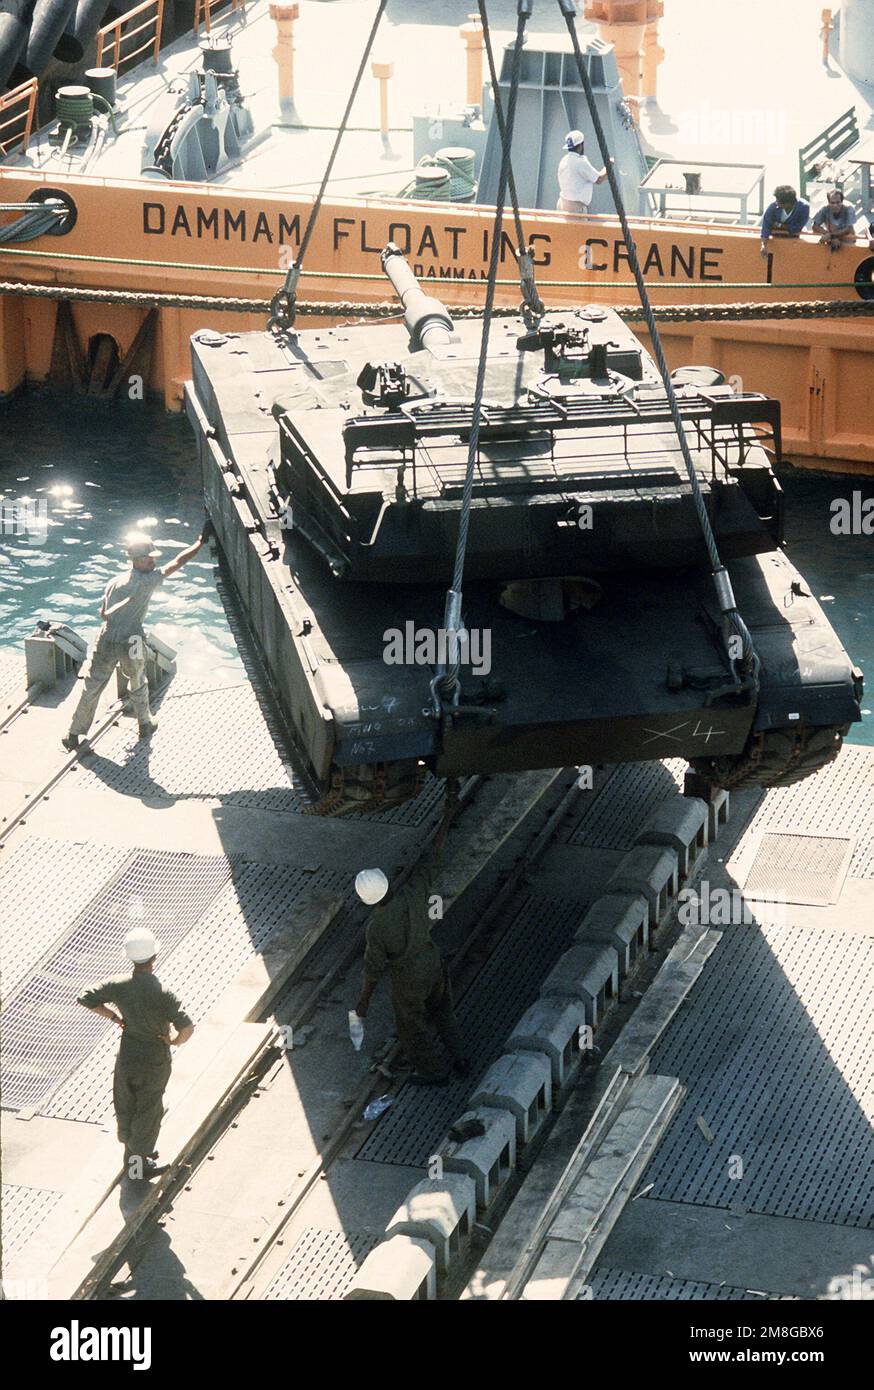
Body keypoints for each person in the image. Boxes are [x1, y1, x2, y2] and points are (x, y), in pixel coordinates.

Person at [61, 523, 214, 752]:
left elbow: (104, 613)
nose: (153, 561)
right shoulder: (148, 580)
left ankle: (74, 733)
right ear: (136, 559)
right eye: (149, 558)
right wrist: (200, 542)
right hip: (131, 640)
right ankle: (144, 723)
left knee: (92, 685)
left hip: (106, 639)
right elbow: (178, 562)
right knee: (138, 679)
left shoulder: (114, 581)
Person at [355, 809, 468, 1085]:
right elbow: (433, 857)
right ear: (388, 885)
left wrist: (364, 1002)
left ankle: (434, 1073)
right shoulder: (414, 892)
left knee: (412, 1029)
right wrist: (447, 817)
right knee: (443, 1012)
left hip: (409, 980)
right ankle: (462, 1059)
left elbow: (373, 970)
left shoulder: (377, 928)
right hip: (433, 962)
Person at [78, 926, 194, 1180]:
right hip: (154, 1059)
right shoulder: (164, 993)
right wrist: (173, 1041)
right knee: (149, 1109)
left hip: (128, 1054)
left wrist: (115, 1018)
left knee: (126, 1102)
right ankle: (138, 1169)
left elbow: (85, 997)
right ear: (155, 957)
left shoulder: (119, 985)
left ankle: (131, 1155)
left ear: (130, 957)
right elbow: (186, 1028)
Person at [556, 129, 607, 214]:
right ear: (580, 145)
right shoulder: (580, 162)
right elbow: (599, 179)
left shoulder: (564, 160)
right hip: (575, 209)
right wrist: (608, 166)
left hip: (562, 205)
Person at [760, 185, 810, 255]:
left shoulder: (804, 207)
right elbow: (766, 226)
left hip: (794, 240)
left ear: (788, 203)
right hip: (776, 237)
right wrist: (763, 245)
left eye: (778, 201)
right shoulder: (773, 207)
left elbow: (797, 228)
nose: (776, 203)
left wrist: (778, 225)